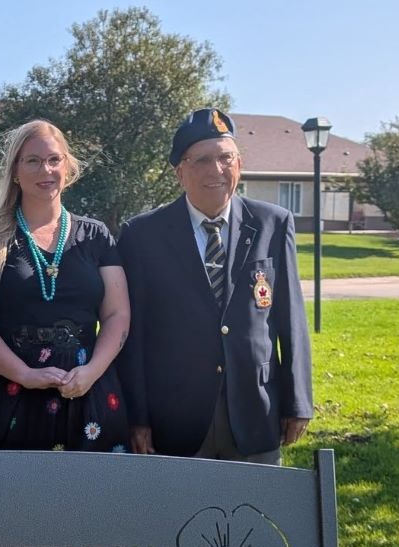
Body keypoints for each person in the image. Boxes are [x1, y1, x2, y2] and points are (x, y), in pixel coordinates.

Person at [116, 108, 313, 463]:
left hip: (257, 409)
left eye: (226, 158)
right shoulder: (142, 235)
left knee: (253, 515)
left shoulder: (274, 223)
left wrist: (298, 400)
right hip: (174, 415)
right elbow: (133, 336)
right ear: (180, 172)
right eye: (203, 160)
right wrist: (137, 416)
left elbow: (291, 319)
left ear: (239, 164)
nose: (216, 170)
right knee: (181, 516)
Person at [0, 120, 131, 452]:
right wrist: (24, 375)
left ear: (68, 166)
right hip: (6, 390)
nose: (45, 169)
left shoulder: (96, 236)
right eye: (32, 161)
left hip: (86, 389)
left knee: (91, 498)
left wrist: (92, 371)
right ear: (16, 171)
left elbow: (117, 314)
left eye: (54, 160)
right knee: (7, 499)